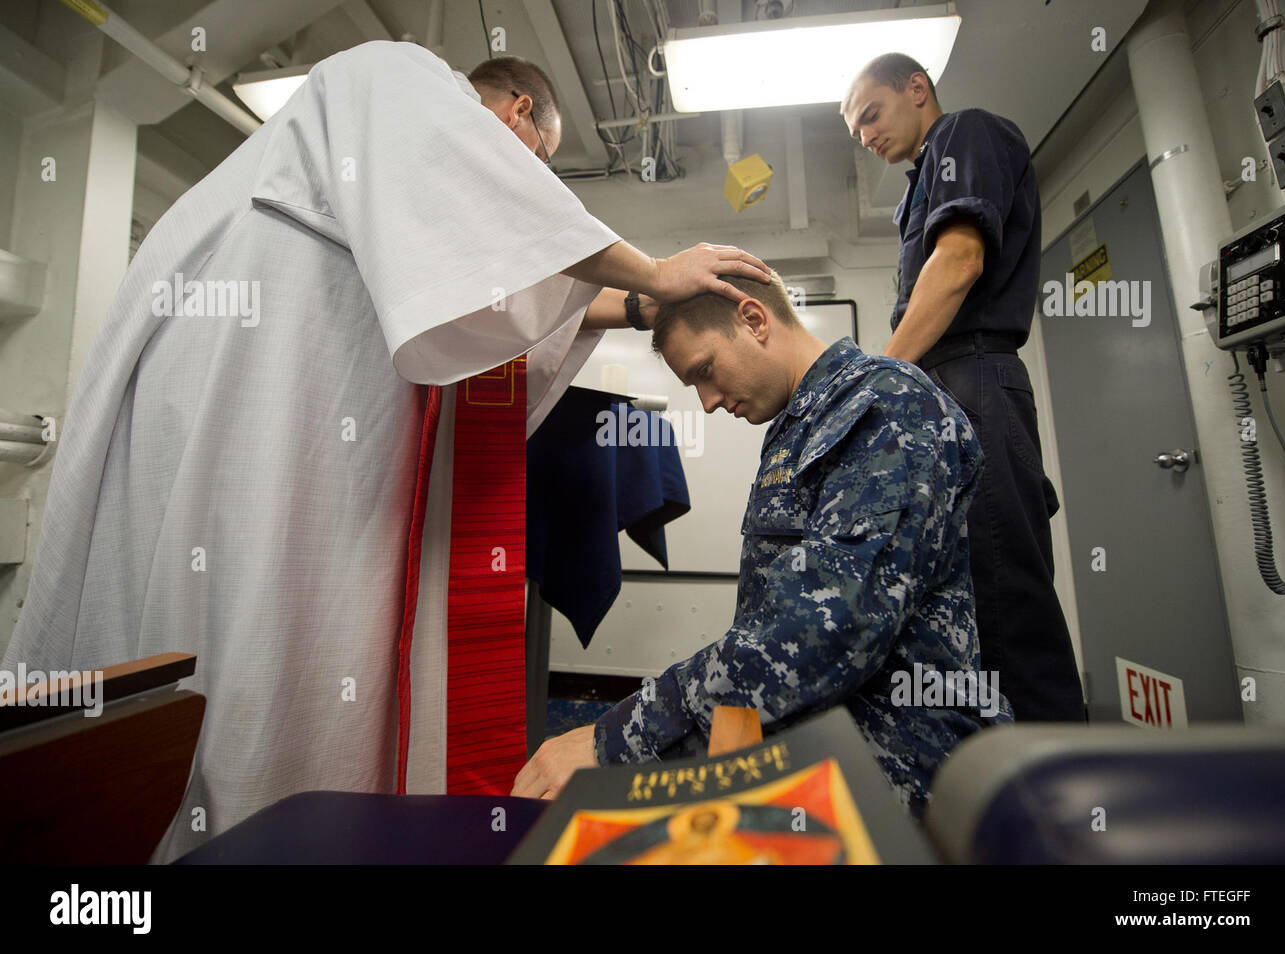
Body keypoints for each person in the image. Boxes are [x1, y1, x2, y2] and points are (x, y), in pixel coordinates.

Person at [0, 42, 768, 863]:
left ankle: (301, 827)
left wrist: (645, 304)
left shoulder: (402, 194)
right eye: (535, 162)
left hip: (318, 426)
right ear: (512, 113)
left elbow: (506, 305)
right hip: (252, 387)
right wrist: (654, 267)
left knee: (312, 650)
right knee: (231, 642)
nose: (525, 187)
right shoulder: (396, 74)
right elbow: (502, 229)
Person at [512, 274, 1012, 820]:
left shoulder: (888, 407)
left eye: (704, 371)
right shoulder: (799, 423)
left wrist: (612, 742)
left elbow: (825, 633)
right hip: (815, 752)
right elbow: (767, 619)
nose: (706, 403)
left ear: (754, 319)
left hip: (899, 783)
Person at [839, 52, 1086, 722]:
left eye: (871, 114)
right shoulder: (918, 186)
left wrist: (877, 378)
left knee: (1007, 598)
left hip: (973, 378)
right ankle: (992, 781)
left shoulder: (964, 133)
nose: (864, 136)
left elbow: (959, 260)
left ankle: (1055, 794)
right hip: (945, 386)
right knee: (967, 598)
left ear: (916, 89)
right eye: (853, 131)